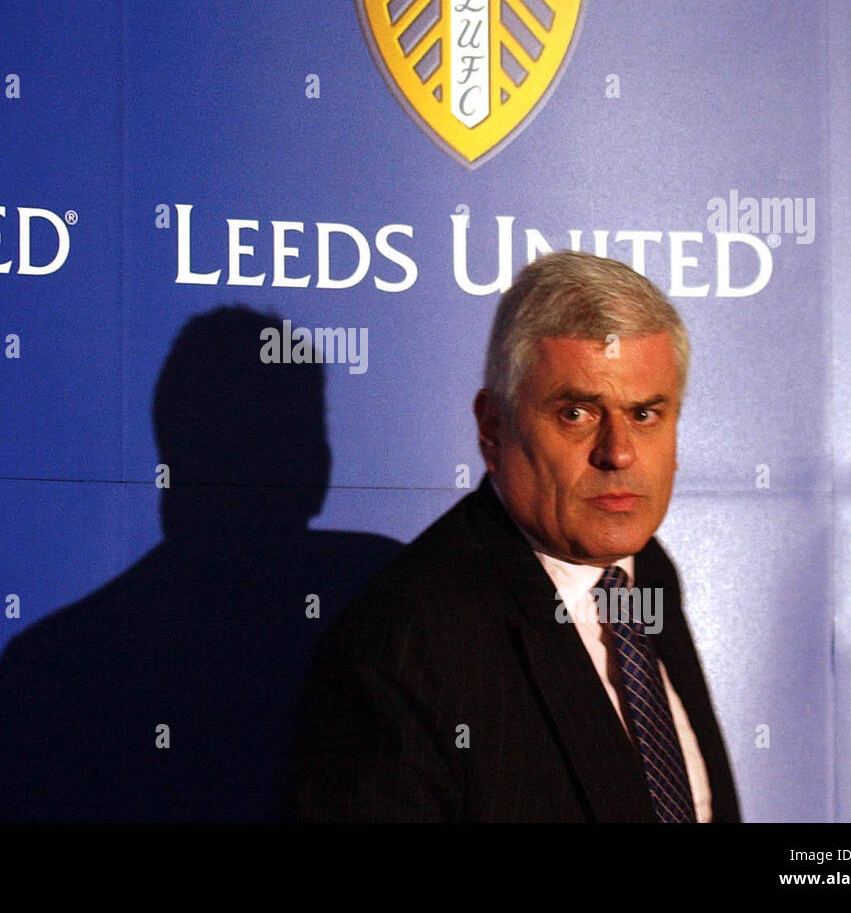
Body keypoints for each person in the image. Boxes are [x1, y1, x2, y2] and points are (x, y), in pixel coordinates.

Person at [286, 251, 740, 822]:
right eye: (577, 413)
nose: (619, 452)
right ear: (493, 427)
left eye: (646, 414)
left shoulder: (645, 570)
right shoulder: (403, 646)